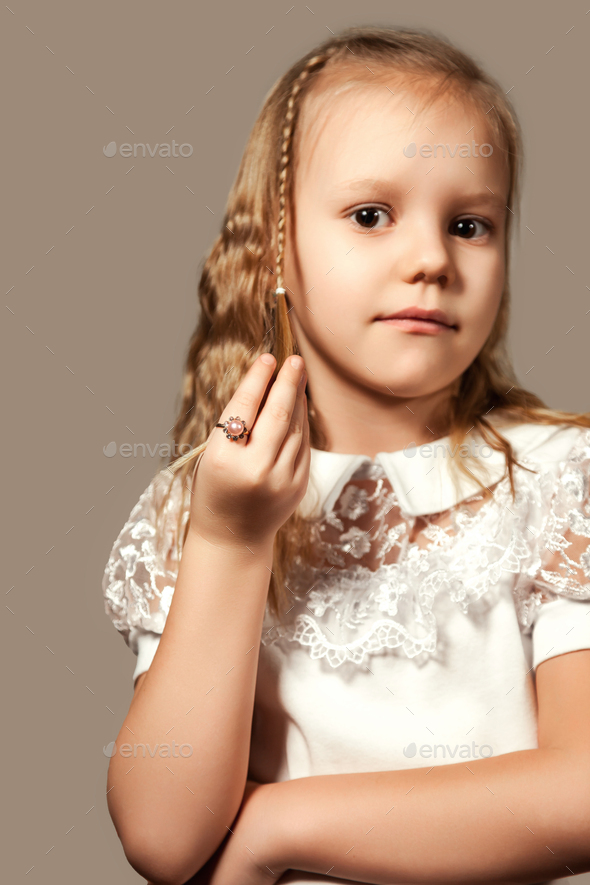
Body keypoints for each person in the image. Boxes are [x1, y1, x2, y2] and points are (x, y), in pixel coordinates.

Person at [101, 25, 590, 885]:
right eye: (372, 215)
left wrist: (275, 827)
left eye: (471, 224)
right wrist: (231, 543)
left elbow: (581, 793)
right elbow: (162, 837)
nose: (432, 259)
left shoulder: (558, 479)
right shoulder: (208, 502)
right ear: (277, 246)